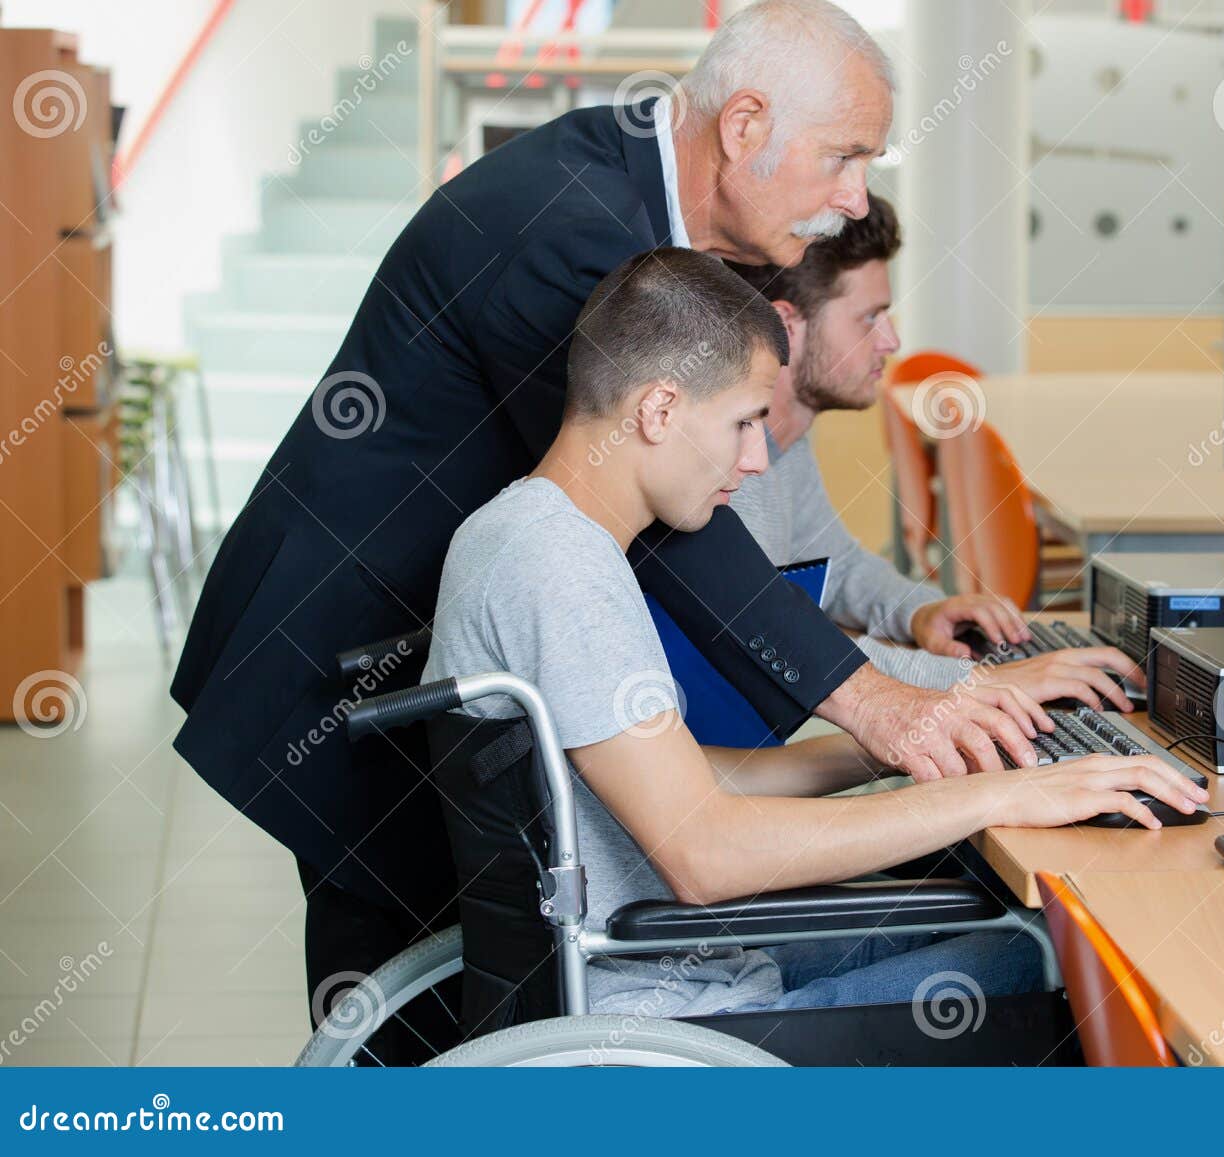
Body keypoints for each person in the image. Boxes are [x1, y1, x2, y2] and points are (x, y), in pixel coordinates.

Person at [166, 0, 1052, 1044]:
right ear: (744, 125)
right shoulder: (568, 228)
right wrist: (888, 706)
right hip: (343, 652)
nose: (852, 196)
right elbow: (685, 533)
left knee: (483, 979)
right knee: (401, 987)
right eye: (844, 156)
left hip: (448, 646)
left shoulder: (634, 210)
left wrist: (920, 707)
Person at [422, 247, 1209, 1016]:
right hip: (664, 1024)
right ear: (659, 410)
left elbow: (692, 785)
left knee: (1027, 929)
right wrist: (1005, 793)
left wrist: (887, 747)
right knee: (1062, 959)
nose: (759, 458)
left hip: (676, 962)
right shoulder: (561, 567)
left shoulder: (528, 533)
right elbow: (706, 853)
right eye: (743, 421)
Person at [728, 194, 1147, 708]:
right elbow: (771, 642)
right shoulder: (728, 471)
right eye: (869, 317)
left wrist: (921, 612)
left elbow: (837, 568)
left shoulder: (787, 442)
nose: (891, 340)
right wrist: (977, 684)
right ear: (784, 326)